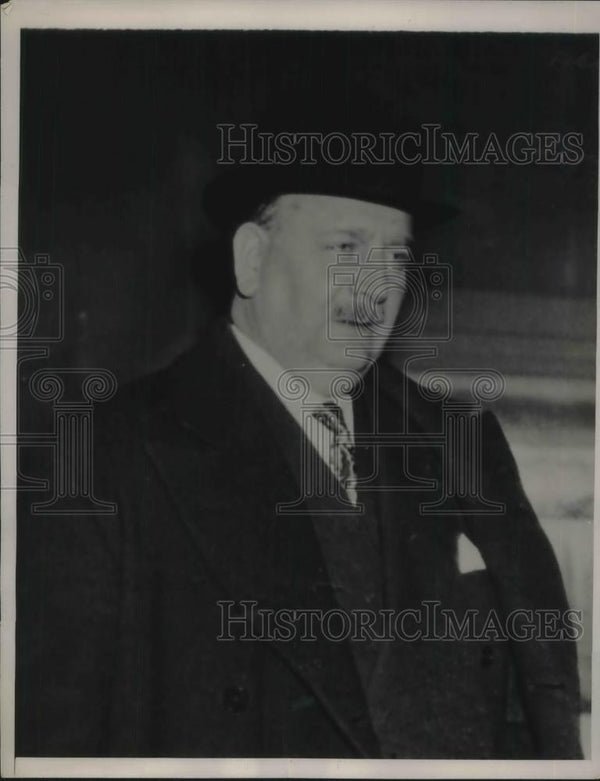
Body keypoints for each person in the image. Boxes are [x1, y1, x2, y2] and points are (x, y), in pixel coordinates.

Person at [17, 125, 582, 760]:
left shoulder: (464, 439)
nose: (375, 288)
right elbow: (53, 743)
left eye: (396, 258)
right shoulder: (103, 457)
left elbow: (540, 707)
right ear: (251, 259)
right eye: (345, 246)